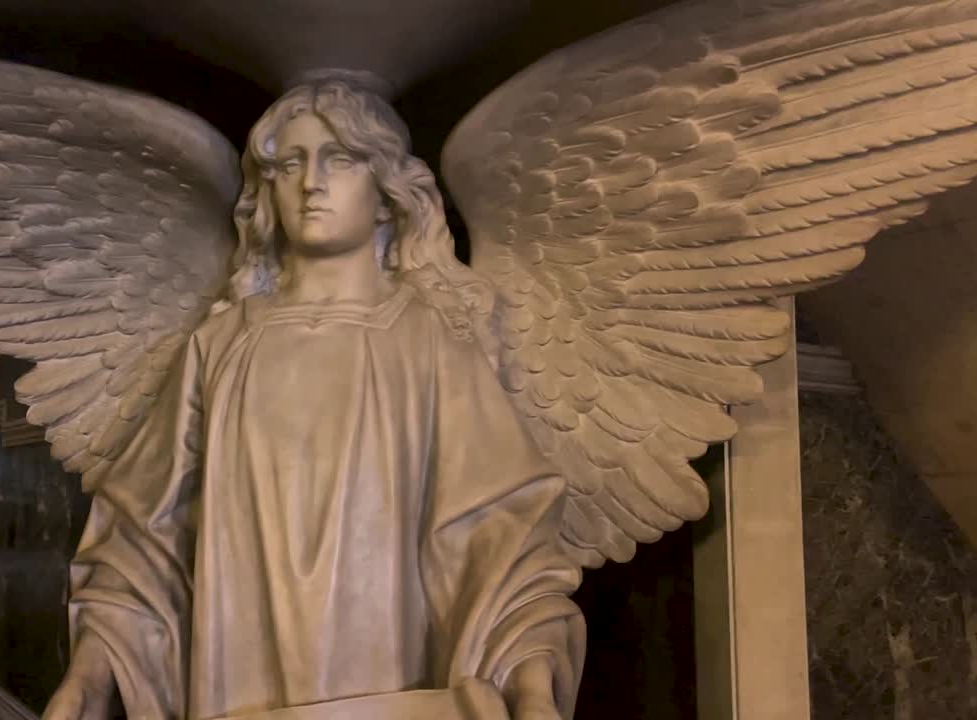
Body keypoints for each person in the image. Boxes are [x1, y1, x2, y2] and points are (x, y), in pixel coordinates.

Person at [44, 80, 585, 720]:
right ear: (267, 187)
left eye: (341, 159)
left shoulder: (428, 342)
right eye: (290, 163)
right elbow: (146, 535)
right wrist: (87, 677)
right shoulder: (220, 345)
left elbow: (502, 535)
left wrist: (530, 685)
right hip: (235, 694)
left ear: (386, 197)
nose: (312, 183)